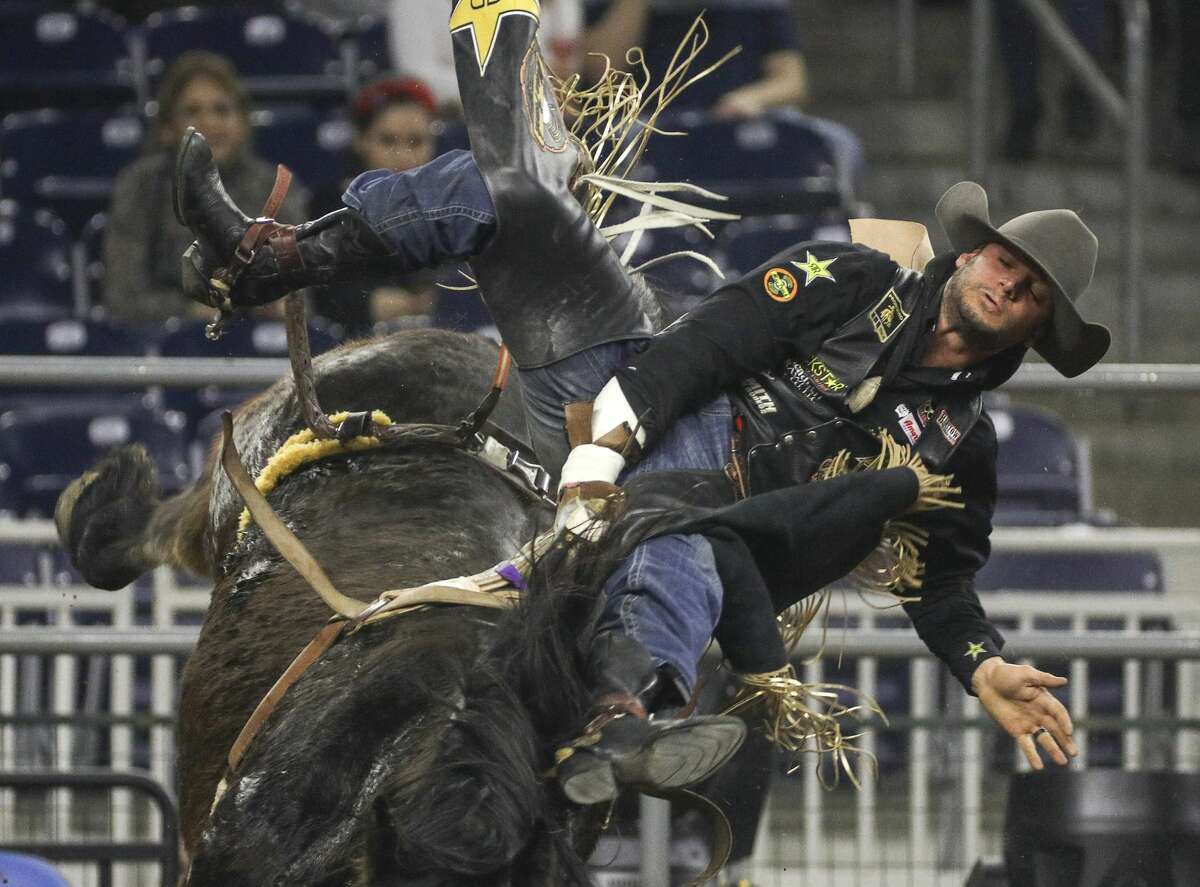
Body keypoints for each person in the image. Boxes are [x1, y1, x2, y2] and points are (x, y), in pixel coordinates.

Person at [172, 4, 1097, 805]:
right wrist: (611, 443)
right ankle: (272, 258)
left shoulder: (959, 448)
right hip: (632, 394)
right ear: (975, 252)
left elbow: (939, 579)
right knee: (517, 201)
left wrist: (982, 663)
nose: (1009, 289)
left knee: (685, 535)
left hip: (720, 524)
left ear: (1035, 328)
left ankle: (622, 718)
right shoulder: (856, 279)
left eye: (1031, 296)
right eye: (1008, 265)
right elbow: (709, 346)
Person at [102, 50, 308, 327]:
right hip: (163, 344)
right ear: (167, 127)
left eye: (221, 110)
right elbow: (122, 297)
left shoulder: (274, 185)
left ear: (244, 123)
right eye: (192, 111)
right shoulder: (140, 185)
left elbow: (300, 293)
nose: (209, 123)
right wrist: (190, 311)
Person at [307, 77, 442, 337]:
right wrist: (370, 303)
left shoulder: (452, 206)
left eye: (416, 141)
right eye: (388, 141)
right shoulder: (330, 205)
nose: (403, 156)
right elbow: (321, 295)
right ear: (361, 141)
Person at [583, 0, 808, 117]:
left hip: (734, 126)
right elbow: (600, 72)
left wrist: (752, 98)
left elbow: (792, 80)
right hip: (651, 134)